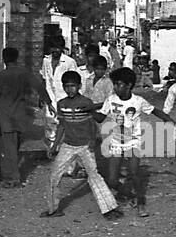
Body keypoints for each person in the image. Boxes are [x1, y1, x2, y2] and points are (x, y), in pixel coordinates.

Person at [42, 71, 124, 221]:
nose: (69, 89)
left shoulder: (86, 103)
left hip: (85, 145)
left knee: (94, 176)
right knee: (54, 175)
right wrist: (54, 146)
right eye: (66, 86)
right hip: (68, 145)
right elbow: (61, 126)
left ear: (79, 86)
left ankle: (110, 208)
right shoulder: (62, 104)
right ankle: (53, 209)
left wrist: (93, 140)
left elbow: (92, 122)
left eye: (72, 86)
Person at [96, 67, 175, 218]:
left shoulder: (138, 101)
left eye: (119, 84)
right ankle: (129, 194)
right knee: (112, 180)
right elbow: (100, 117)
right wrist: (85, 110)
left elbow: (155, 111)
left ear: (129, 85)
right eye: (115, 84)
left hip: (133, 141)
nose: (116, 88)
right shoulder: (111, 100)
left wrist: (169, 120)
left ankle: (141, 202)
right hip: (116, 142)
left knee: (133, 172)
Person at [0, 46, 51, 188]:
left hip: (6, 114)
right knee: (15, 144)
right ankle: (9, 171)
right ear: (16, 58)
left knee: (8, 146)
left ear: (4, 58)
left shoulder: (3, 75)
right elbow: (39, 86)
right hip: (20, 113)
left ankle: (12, 177)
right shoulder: (24, 73)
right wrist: (48, 102)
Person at [40, 37, 76, 153]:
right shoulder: (46, 61)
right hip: (50, 98)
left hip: (65, 98)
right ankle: (52, 150)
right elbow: (44, 80)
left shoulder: (69, 62)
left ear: (62, 48)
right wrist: (42, 97)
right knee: (50, 124)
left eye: (58, 48)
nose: (55, 50)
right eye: (53, 47)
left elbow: (74, 81)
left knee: (65, 125)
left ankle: (63, 151)